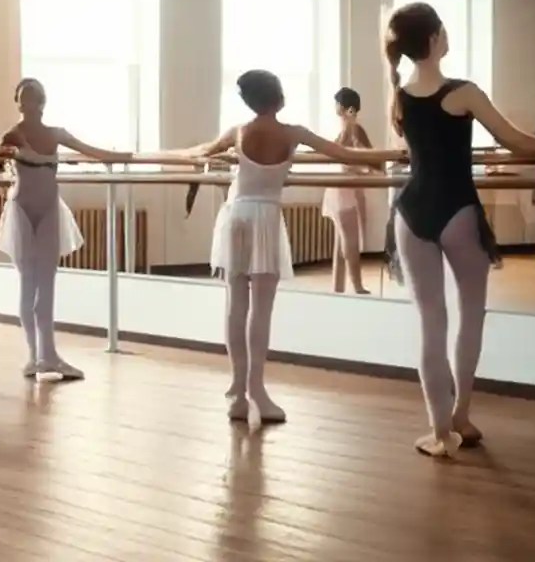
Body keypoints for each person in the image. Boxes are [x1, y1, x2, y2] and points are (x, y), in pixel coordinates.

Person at [162, 71, 383, 426]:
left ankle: (238, 392)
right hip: (265, 217)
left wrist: (154, 153)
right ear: (279, 98)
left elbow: (200, 151)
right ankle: (257, 392)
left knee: (236, 305)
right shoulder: (293, 133)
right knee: (260, 311)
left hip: (236, 214)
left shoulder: (238, 132)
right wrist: (398, 154)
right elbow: (342, 152)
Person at [383, 2, 535, 458]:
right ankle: (461, 415)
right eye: (443, 29)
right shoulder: (463, 92)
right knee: (471, 314)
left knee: (430, 324)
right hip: (457, 208)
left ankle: (440, 433)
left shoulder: (399, 94)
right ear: (435, 38)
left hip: (411, 211)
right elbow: (515, 141)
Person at [0, 78, 130, 382]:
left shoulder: (56, 134)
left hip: (49, 211)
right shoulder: (13, 134)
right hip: (21, 211)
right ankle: (34, 356)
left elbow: (92, 151)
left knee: (46, 283)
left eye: (32, 97)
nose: (27, 103)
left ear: (42, 102)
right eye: (22, 98)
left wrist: (126, 158)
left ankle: (49, 355)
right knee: (27, 283)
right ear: (18, 103)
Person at [322, 88, 373, 295]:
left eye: (337, 103)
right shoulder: (346, 128)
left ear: (344, 107)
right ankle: (344, 286)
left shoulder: (354, 129)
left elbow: (372, 158)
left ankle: (351, 286)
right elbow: (335, 152)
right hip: (341, 188)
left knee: (347, 241)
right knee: (345, 240)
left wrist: (359, 169)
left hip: (345, 189)